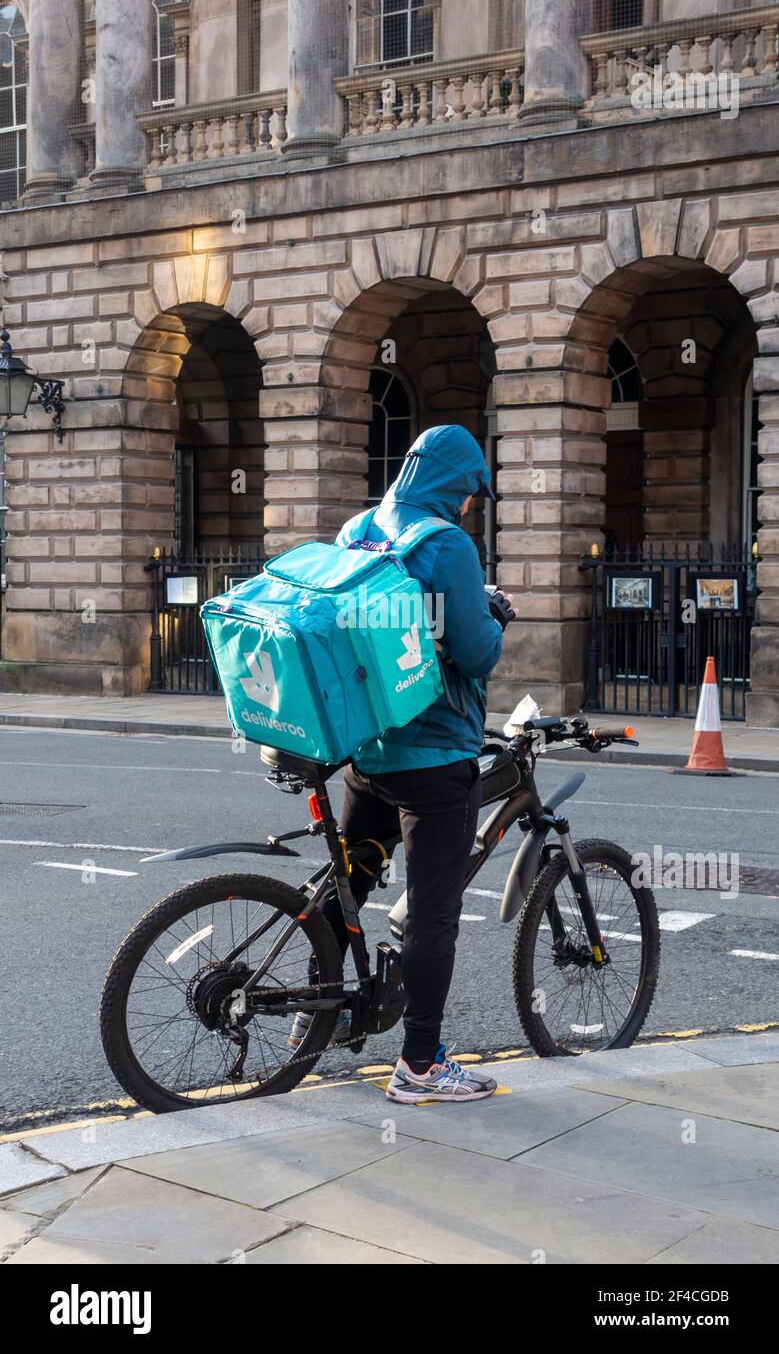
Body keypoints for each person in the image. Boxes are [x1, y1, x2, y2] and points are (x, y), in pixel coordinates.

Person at [290, 424, 515, 1102]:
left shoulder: (360, 528)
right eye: (473, 491)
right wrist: (493, 612)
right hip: (434, 752)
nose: (473, 504)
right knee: (432, 914)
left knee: (351, 875)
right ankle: (420, 1067)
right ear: (455, 484)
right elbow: (475, 653)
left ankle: (315, 1007)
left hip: (367, 746)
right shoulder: (445, 543)